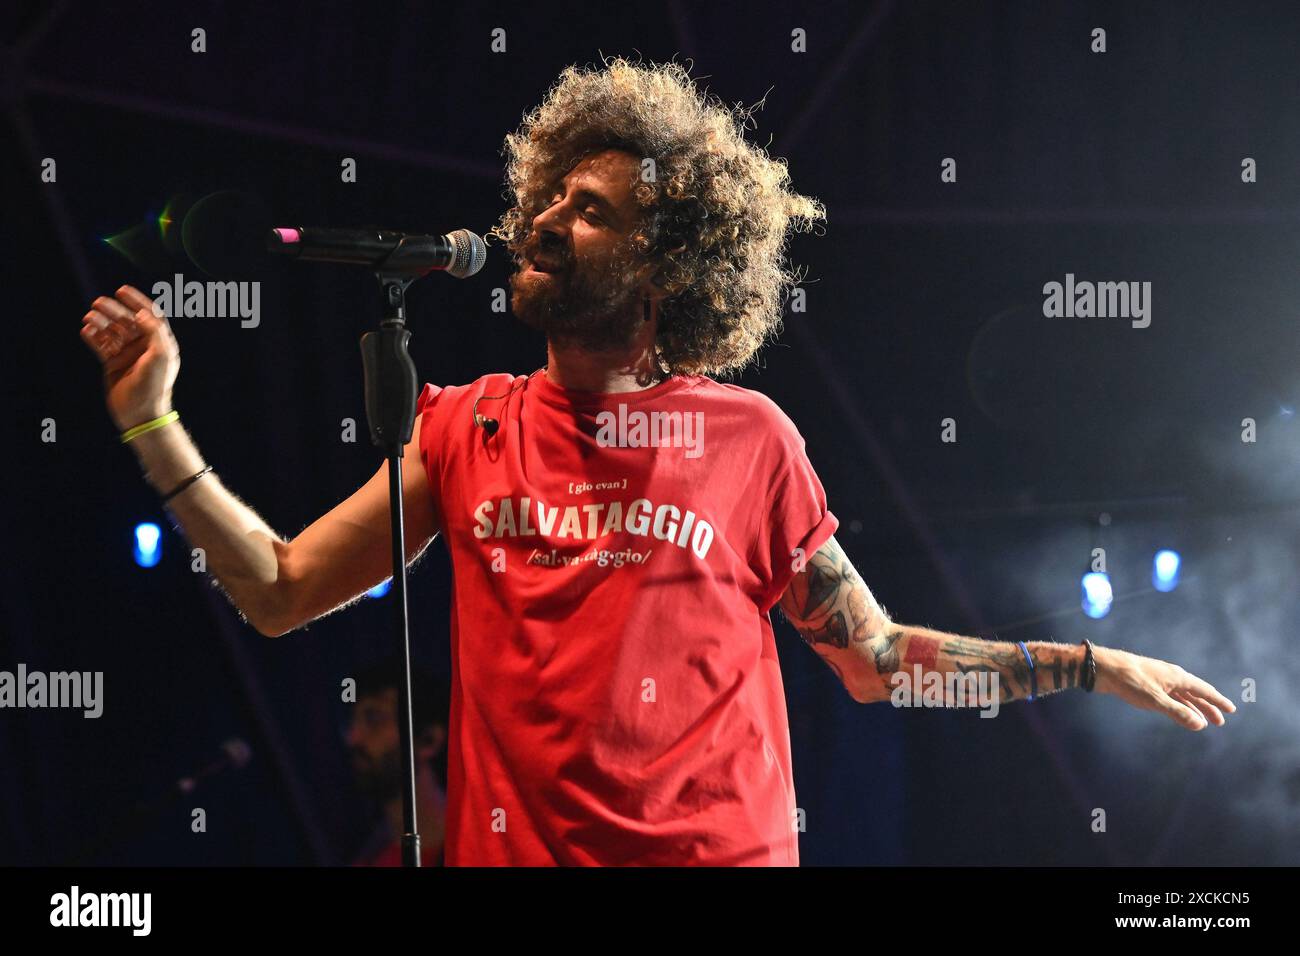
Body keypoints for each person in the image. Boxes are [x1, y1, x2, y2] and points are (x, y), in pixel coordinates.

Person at [80, 57, 1236, 866]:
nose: (539, 222)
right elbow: (280, 592)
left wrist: (1084, 661)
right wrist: (153, 424)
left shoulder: (750, 440)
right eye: (544, 197)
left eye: (587, 209)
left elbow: (876, 659)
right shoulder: (463, 425)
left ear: (668, 268)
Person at [346, 660, 449, 867]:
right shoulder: (366, 857)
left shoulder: (484, 849)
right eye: (353, 720)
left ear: (429, 740)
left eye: (373, 718)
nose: (353, 737)